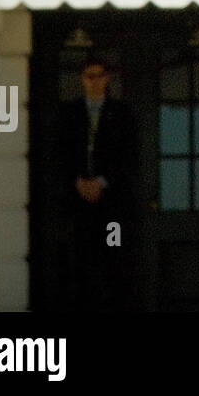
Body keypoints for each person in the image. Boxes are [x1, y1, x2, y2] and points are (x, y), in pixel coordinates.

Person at [59, 57, 134, 310]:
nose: (94, 81)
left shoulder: (120, 113)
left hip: (112, 204)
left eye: (99, 75)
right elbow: (60, 153)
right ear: (82, 79)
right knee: (80, 257)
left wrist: (103, 182)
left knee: (113, 254)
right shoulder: (70, 114)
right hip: (78, 202)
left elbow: (127, 156)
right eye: (89, 76)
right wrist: (77, 181)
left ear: (107, 78)